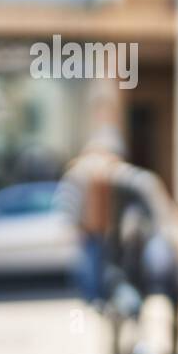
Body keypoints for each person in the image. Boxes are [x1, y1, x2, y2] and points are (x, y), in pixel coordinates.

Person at [56, 124, 125, 307]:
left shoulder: (97, 169)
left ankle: (96, 297)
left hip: (97, 228)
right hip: (88, 228)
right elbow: (67, 200)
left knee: (95, 265)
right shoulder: (82, 171)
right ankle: (93, 298)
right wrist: (73, 224)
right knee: (89, 265)